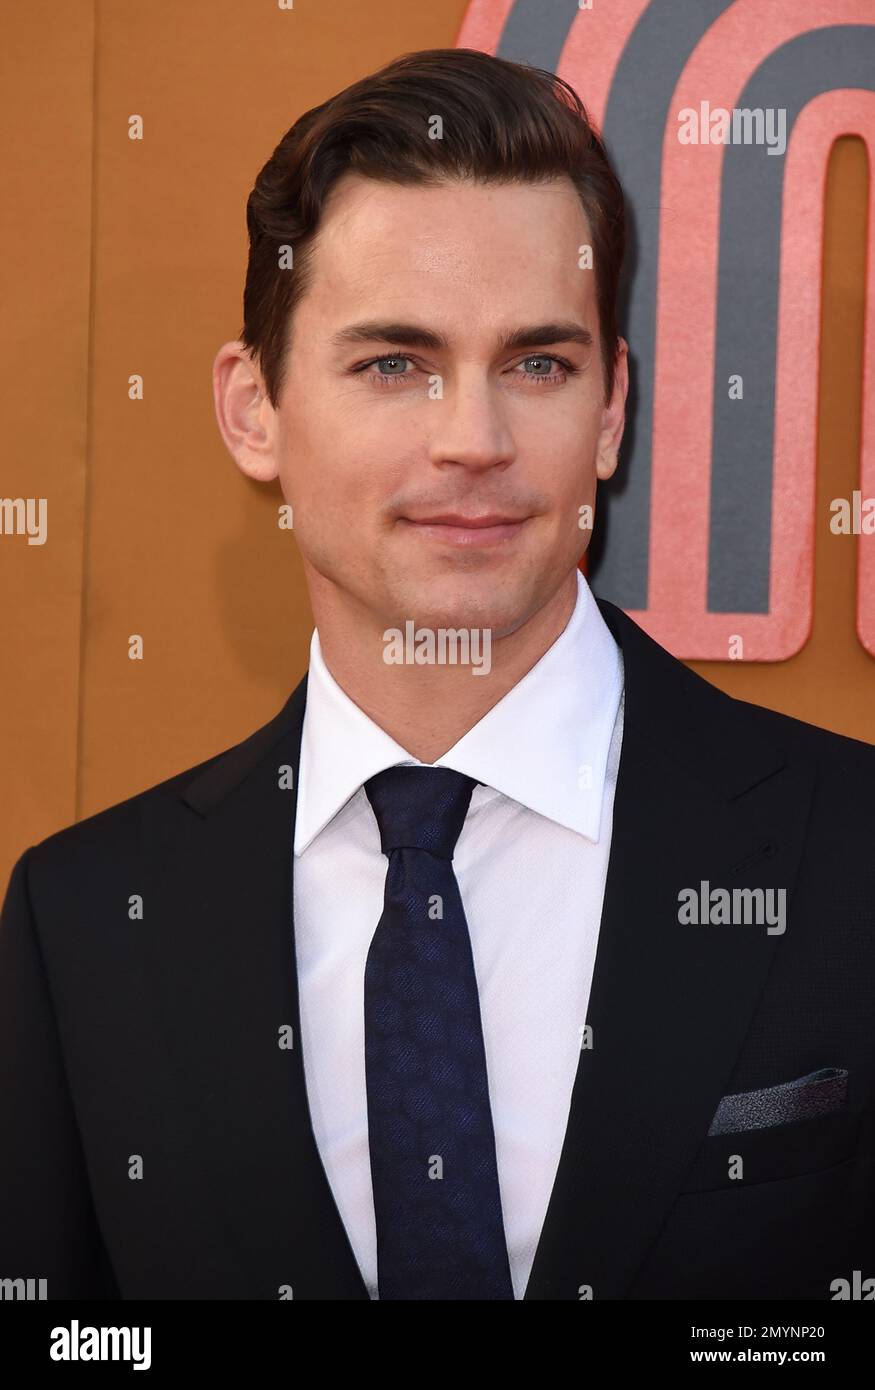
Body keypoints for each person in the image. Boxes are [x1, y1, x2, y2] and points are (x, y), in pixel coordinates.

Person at [1, 47, 873, 1302]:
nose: (472, 440)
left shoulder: (848, 856)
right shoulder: (84, 924)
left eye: (536, 364)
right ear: (254, 410)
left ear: (613, 408)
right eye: (392, 364)